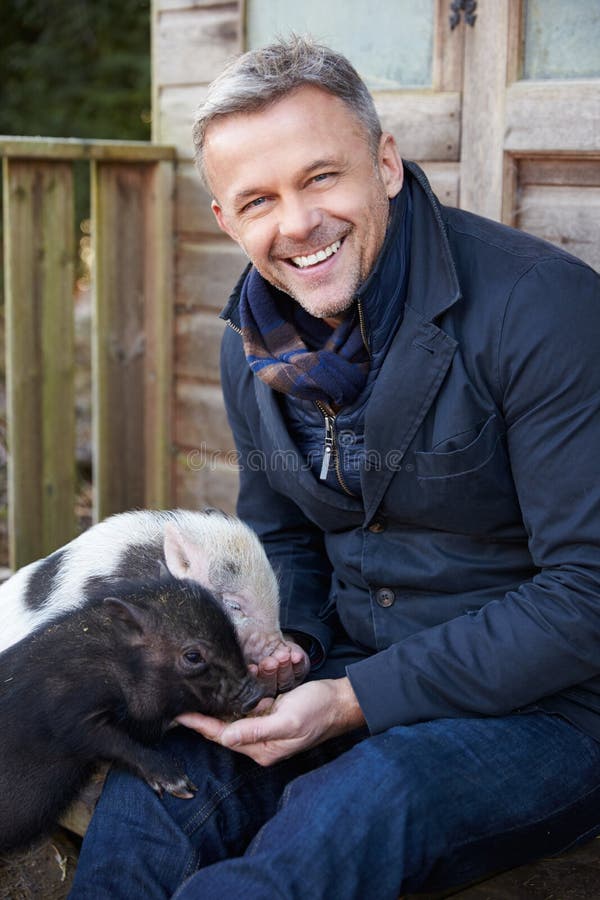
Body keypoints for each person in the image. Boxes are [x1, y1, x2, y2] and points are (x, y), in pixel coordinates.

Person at [69, 36, 600, 899]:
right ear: (225, 220)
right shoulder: (248, 347)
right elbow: (283, 537)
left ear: (384, 163)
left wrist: (356, 699)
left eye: (322, 177)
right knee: (164, 777)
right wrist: (289, 648)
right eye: (259, 199)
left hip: (550, 712)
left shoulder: (541, 307)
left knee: (358, 804)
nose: (297, 223)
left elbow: (588, 591)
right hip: (339, 666)